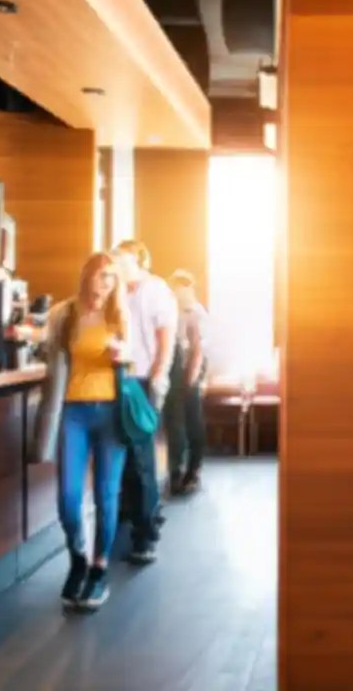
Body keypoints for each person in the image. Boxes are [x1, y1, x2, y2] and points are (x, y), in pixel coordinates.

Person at [31, 252, 130, 611]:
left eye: (112, 278)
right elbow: (47, 352)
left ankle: (100, 568)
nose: (105, 284)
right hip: (72, 412)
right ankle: (77, 556)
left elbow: (138, 356)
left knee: (106, 494)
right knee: (69, 498)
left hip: (111, 412)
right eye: (101, 276)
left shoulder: (120, 314)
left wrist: (125, 355)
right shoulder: (64, 313)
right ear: (87, 276)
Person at [111, 240, 177, 563]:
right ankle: (135, 517)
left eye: (121, 257)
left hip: (142, 379)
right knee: (122, 456)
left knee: (141, 458)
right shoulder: (116, 290)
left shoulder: (155, 289)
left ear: (138, 259)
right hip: (117, 378)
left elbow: (166, 335)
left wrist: (158, 373)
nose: (115, 262)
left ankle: (146, 534)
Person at [165, 269, 209, 494]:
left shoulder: (195, 312)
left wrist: (191, 378)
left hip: (190, 368)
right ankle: (175, 471)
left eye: (183, 286)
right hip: (172, 369)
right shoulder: (169, 308)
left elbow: (198, 349)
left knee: (192, 420)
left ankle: (193, 469)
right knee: (173, 423)